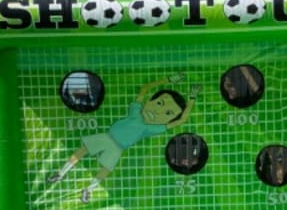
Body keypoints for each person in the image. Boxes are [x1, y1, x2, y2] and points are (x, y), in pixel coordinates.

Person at [48, 73, 200, 202]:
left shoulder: (151, 128)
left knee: (105, 169)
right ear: (150, 101)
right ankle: (61, 173)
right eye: (159, 103)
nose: (157, 111)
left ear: (168, 120)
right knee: (82, 150)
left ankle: (88, 189)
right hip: (106, 137)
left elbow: (181, 120)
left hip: (118, 148)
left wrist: (192, 98)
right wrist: (168, 80)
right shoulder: (136, 110)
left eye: (168, 114)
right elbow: (145, 88)